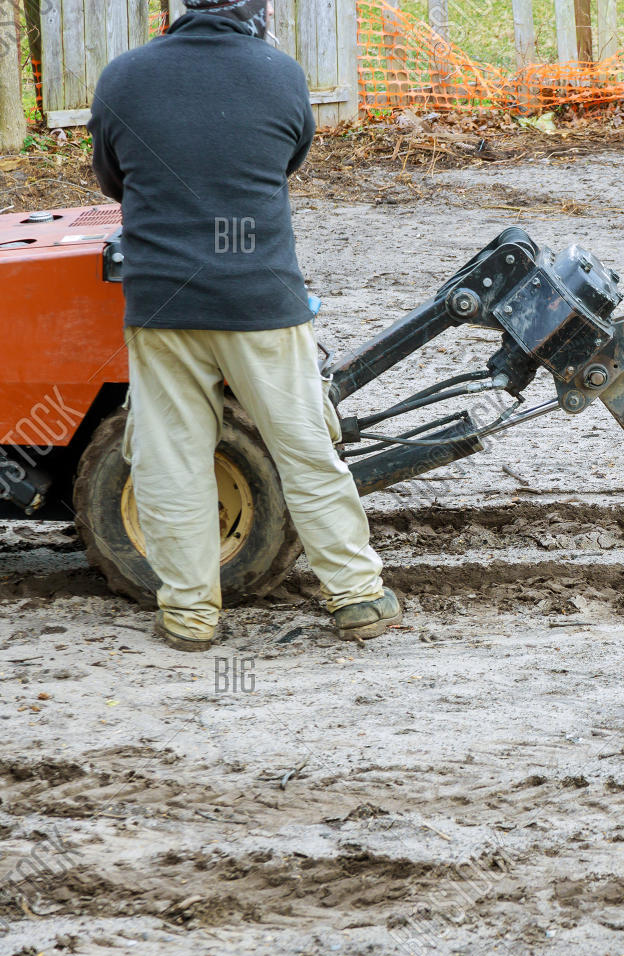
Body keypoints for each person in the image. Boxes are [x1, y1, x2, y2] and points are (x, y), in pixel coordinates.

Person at [87, 0, 400, 652]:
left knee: (170, 460)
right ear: (257, 10)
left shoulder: (123, 77)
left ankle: (189, 616)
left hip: (164, 304)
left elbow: (114, 179)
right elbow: (286, 161)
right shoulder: (280, 75)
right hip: (260, 300)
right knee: (305, 448)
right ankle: (359, 596)